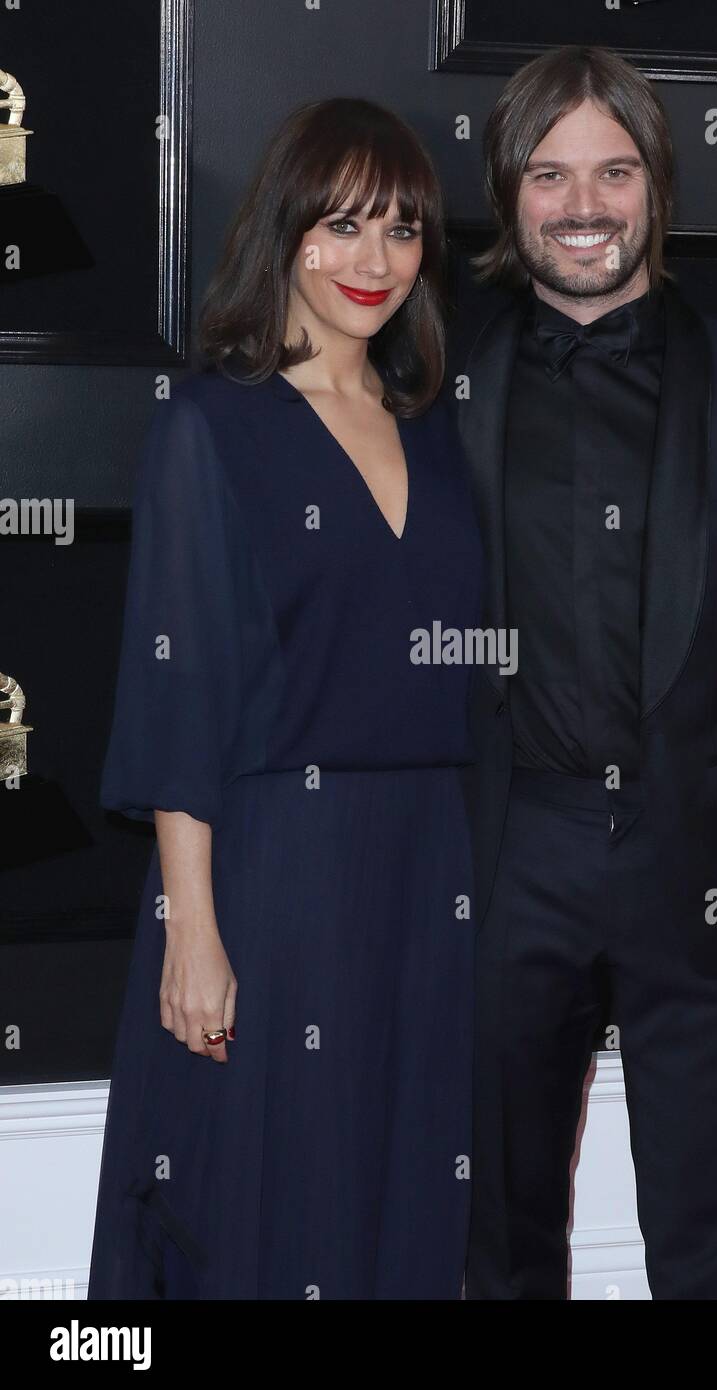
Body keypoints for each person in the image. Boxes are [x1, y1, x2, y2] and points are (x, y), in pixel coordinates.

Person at [448, 46, 717, 1299]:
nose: (584, 204)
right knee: (495, 1241)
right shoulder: (432, 388)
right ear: (509, 193)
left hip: (708, 874)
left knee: (710, 1248)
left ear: (657, 187)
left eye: (614, 171)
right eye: (550, 173)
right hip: (504, 860)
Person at [87, 97, 483, 1300]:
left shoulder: (438, 429)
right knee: (270, 1198)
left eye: (402, 229)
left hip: (427, 871)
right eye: (342, 224)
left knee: (399, 1193)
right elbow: (179, 693)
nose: (375, 259)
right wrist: (192, 930)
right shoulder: (212, 423)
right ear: (285, 230)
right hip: (274, 875)